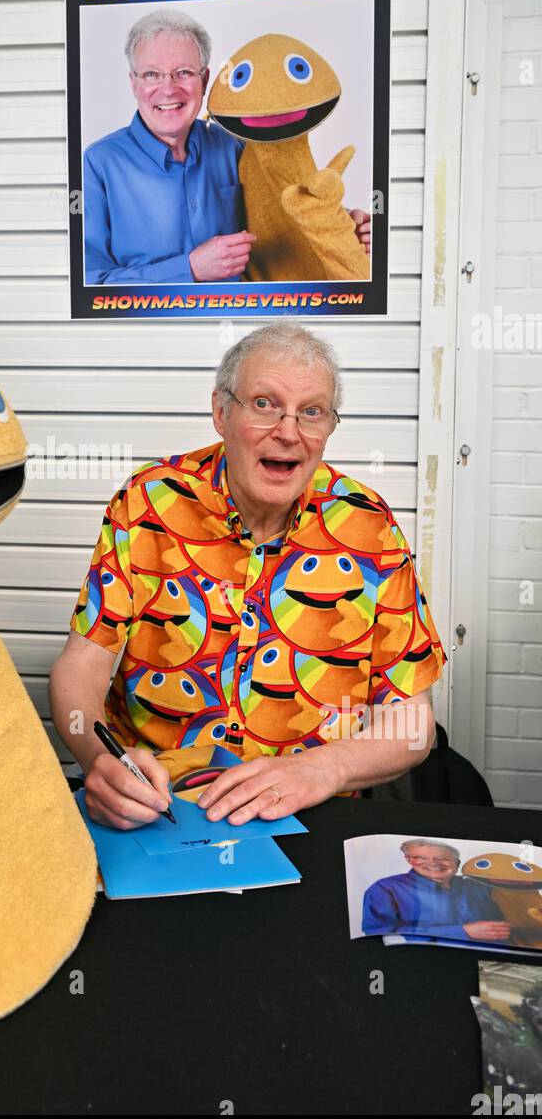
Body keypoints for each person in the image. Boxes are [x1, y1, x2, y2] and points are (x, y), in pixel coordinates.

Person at [49, 320, 448, 829]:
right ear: (221, 411)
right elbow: (80, 664)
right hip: (160, 807)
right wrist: (97, 760)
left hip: (308, 811)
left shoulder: (370, 526)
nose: (288, 431)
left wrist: (324, 769)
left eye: (311, 412)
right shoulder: (149, 503)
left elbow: (413, 721)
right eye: (264, 404)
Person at [82, 9, 371, 286]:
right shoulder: (97, 164)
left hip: (242, 320)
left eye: (183, 72)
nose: (168, 89)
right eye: (152, 75)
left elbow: (281, 201)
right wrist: (190, 268)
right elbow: (89, 282)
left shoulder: (233, 144)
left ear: (205, 80)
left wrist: (340, 222)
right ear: (133, 84)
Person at [362, 840, 511, 943]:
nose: (433, 863)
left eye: (444, 858)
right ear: (408, 859)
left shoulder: (479, 887)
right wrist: (462, 931)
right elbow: (381, 935)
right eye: (421, 858)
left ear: (457, 863)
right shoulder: (385, 888)